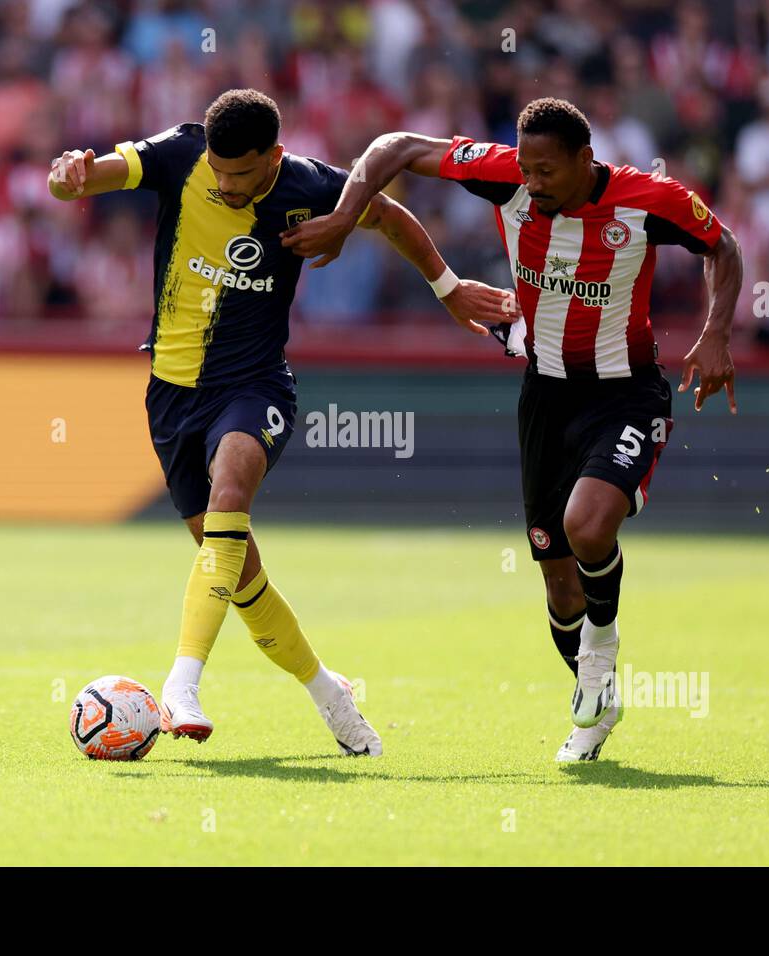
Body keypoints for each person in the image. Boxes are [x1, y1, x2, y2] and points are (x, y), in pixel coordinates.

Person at [48, 88, 517, 756]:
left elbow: (390, 217)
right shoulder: (182, 154)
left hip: (254, 385)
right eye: (221, 172)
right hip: (171, 396)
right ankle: (330, 693)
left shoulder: (311, 186)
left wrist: (447, 289)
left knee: (229, 495)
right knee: (239, 574)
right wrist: (68, 174)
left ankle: (182, 684)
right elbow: (93, 175)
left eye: (243, 174)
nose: (229, 185)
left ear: (275, 155)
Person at [282, 97, 743, 762]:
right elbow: (396, 146)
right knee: (559, 584)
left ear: (587, 161)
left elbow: (721, 246)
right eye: (525, 168)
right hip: (544, 396)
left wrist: (716, 332)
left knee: (589, 525)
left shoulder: (649, 199)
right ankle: (596, 704)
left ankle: (601, 656)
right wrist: (343, 218)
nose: (531, 181)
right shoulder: (505, 174)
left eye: (546, 170)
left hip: (626, 394)